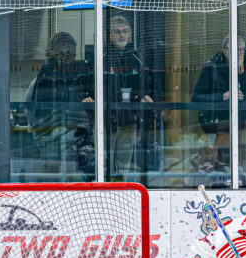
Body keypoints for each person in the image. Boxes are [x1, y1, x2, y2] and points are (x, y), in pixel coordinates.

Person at [25, 32, 94, 179]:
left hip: (70, 135)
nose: (70, 56)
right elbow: (35, 110)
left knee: (69, 173)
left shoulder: (74, 75)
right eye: (66, 51)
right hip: (54, 135)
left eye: (72, 52)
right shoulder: (47, 75)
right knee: (56, 173)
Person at [191, 35, 246, 172]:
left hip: (242, 123)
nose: (240, 54)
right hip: (217, 121)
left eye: (242, 50)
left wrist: (241, 73)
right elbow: (196, 97)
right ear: (225, 51)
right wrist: (223, 96)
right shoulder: (212, 67)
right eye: (236, 50)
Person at [102, 16, 154, 175]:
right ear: (110, 35)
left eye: (125, 32)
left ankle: (119, 193)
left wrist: (145, 95)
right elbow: (90, 84)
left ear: (130, 34)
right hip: (106, 121)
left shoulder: (136, 58)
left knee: (122, 166)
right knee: (104, 163)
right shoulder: (102, 57)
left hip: (129, 120)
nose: (121, 35)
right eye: (117, 32)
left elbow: (146, 83)